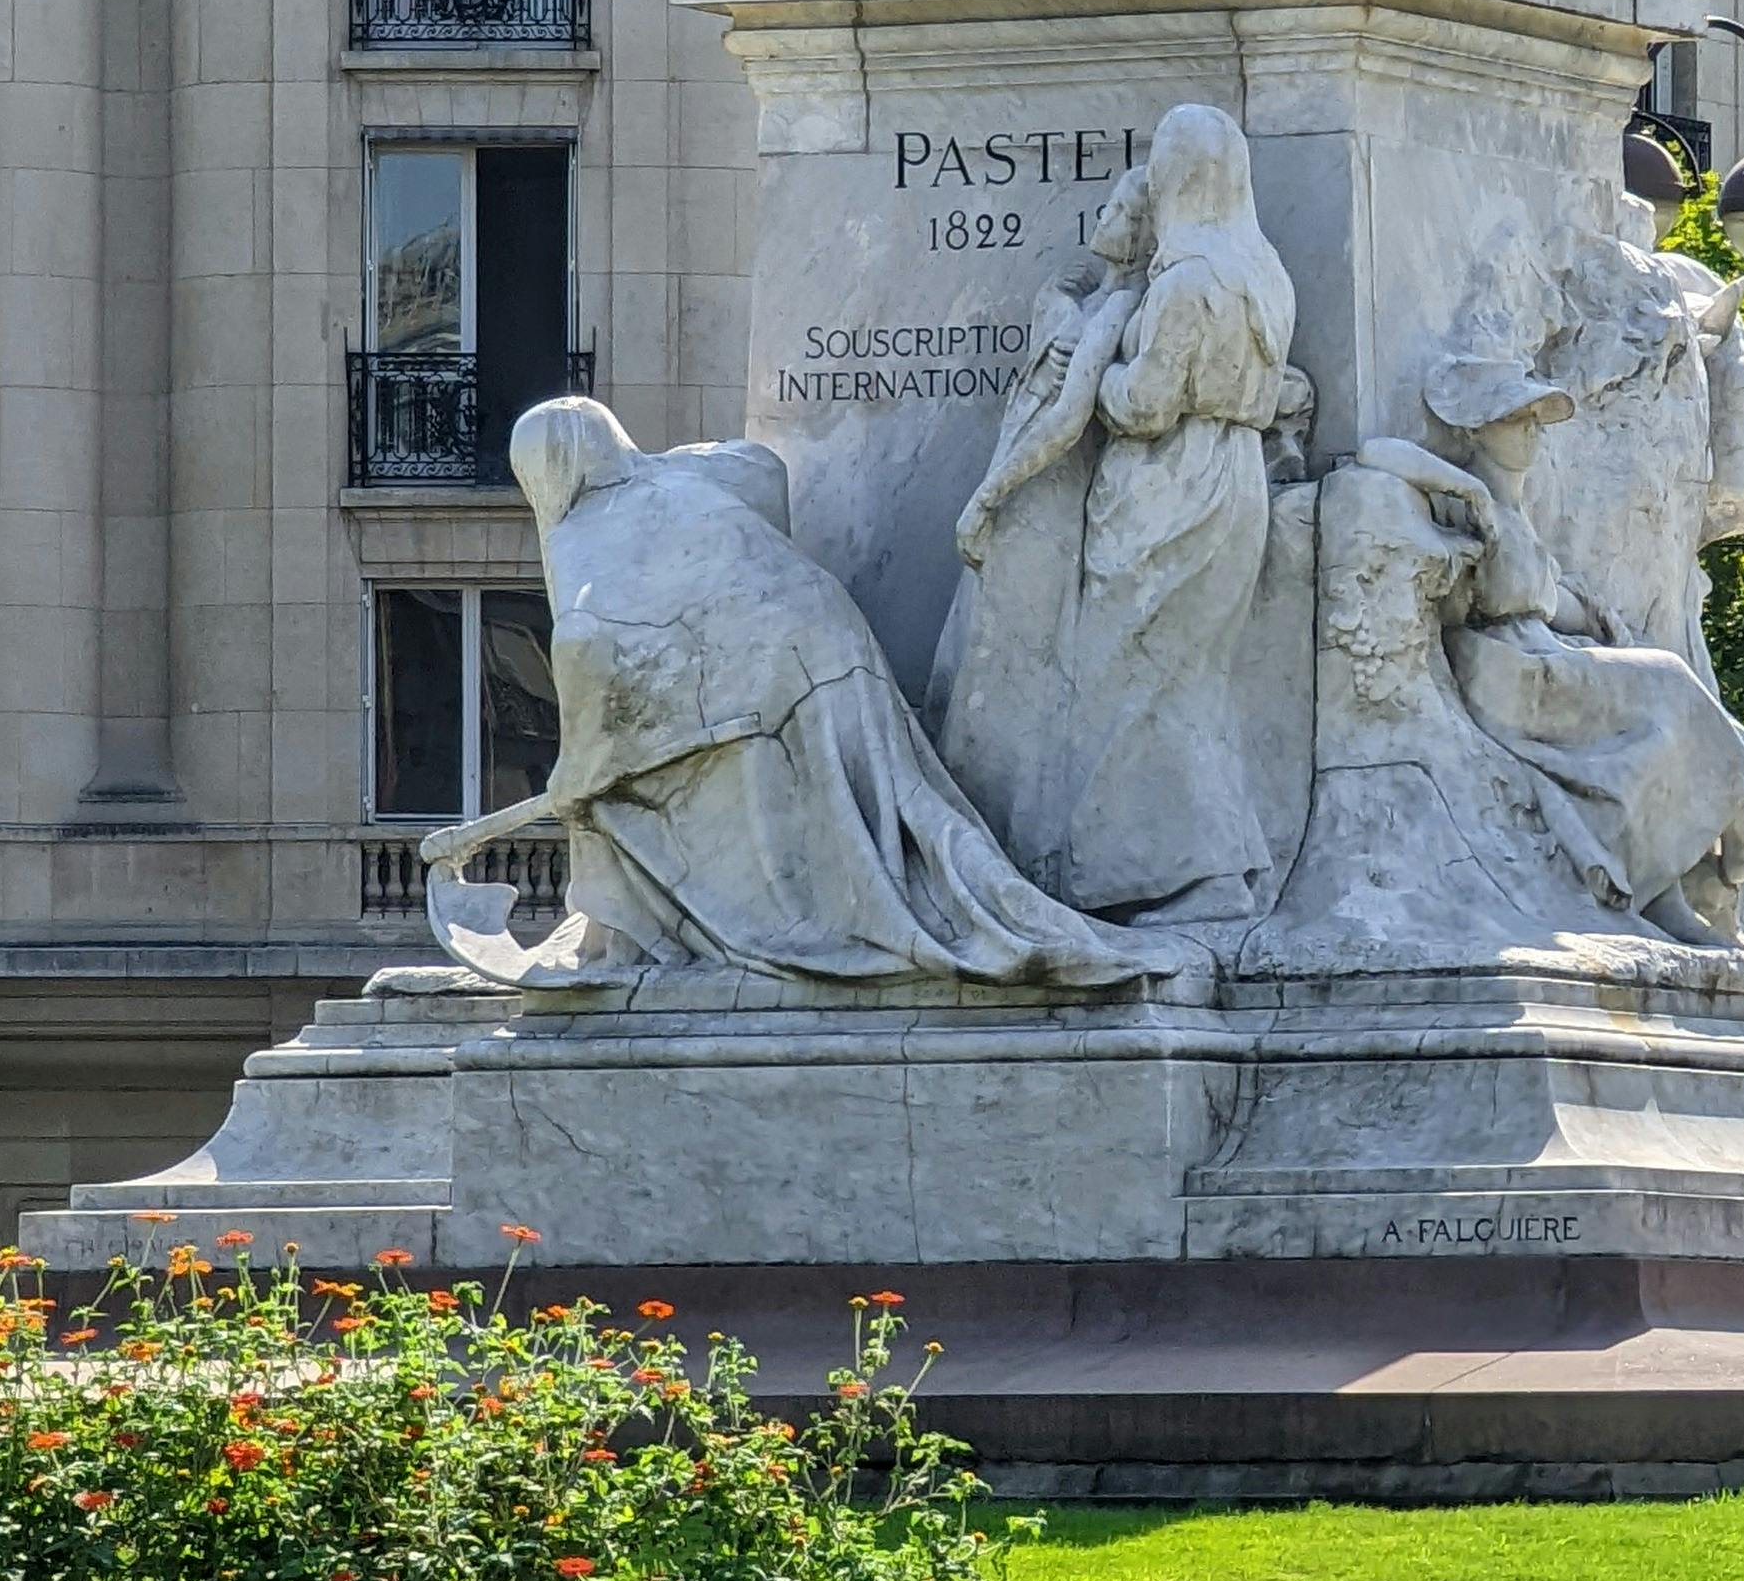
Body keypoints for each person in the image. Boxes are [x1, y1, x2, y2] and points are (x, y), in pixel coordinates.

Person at [420, 398, 1150, 991]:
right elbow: (765, 470)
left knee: (607, 804)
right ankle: (823, 915)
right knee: (868, 821)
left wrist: (578, 774)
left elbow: (584, 648)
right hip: (832, 635)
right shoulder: (696, 469)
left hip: (761, 683)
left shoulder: (584, 536)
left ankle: (641, 937)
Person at [1052, 104, 1300, 921]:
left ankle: (1189, 878)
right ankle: (1216, 866)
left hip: (1167, 487)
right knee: (1192, 681)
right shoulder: (1264, 272)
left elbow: (1146, 405)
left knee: (1136, 681)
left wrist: (1093, 367)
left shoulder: (1186, 284)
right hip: (1235, 477)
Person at [925, 165, 1153, 877]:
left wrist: (988, 496)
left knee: (1013, 673)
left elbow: (1066, 417)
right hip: (1026, 490)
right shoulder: (1093, 301)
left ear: (1142, 233)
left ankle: (1017, 853)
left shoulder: (1120, 308)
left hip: (1042, 496)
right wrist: (1054, 302)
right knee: (982, 660)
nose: (1101, 218)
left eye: (1117, 210)